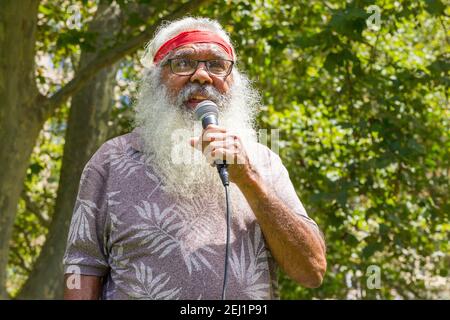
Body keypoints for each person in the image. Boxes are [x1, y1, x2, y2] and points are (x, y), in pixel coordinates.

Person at [63, 17, 326, 300]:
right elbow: (83, 267)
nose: (202, 76)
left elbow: (311, 271)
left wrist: (248, 178)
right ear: (156, 80)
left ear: (233, 82)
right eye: (183, 63)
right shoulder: (111, 161)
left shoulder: (264, 163)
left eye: (216, 65)